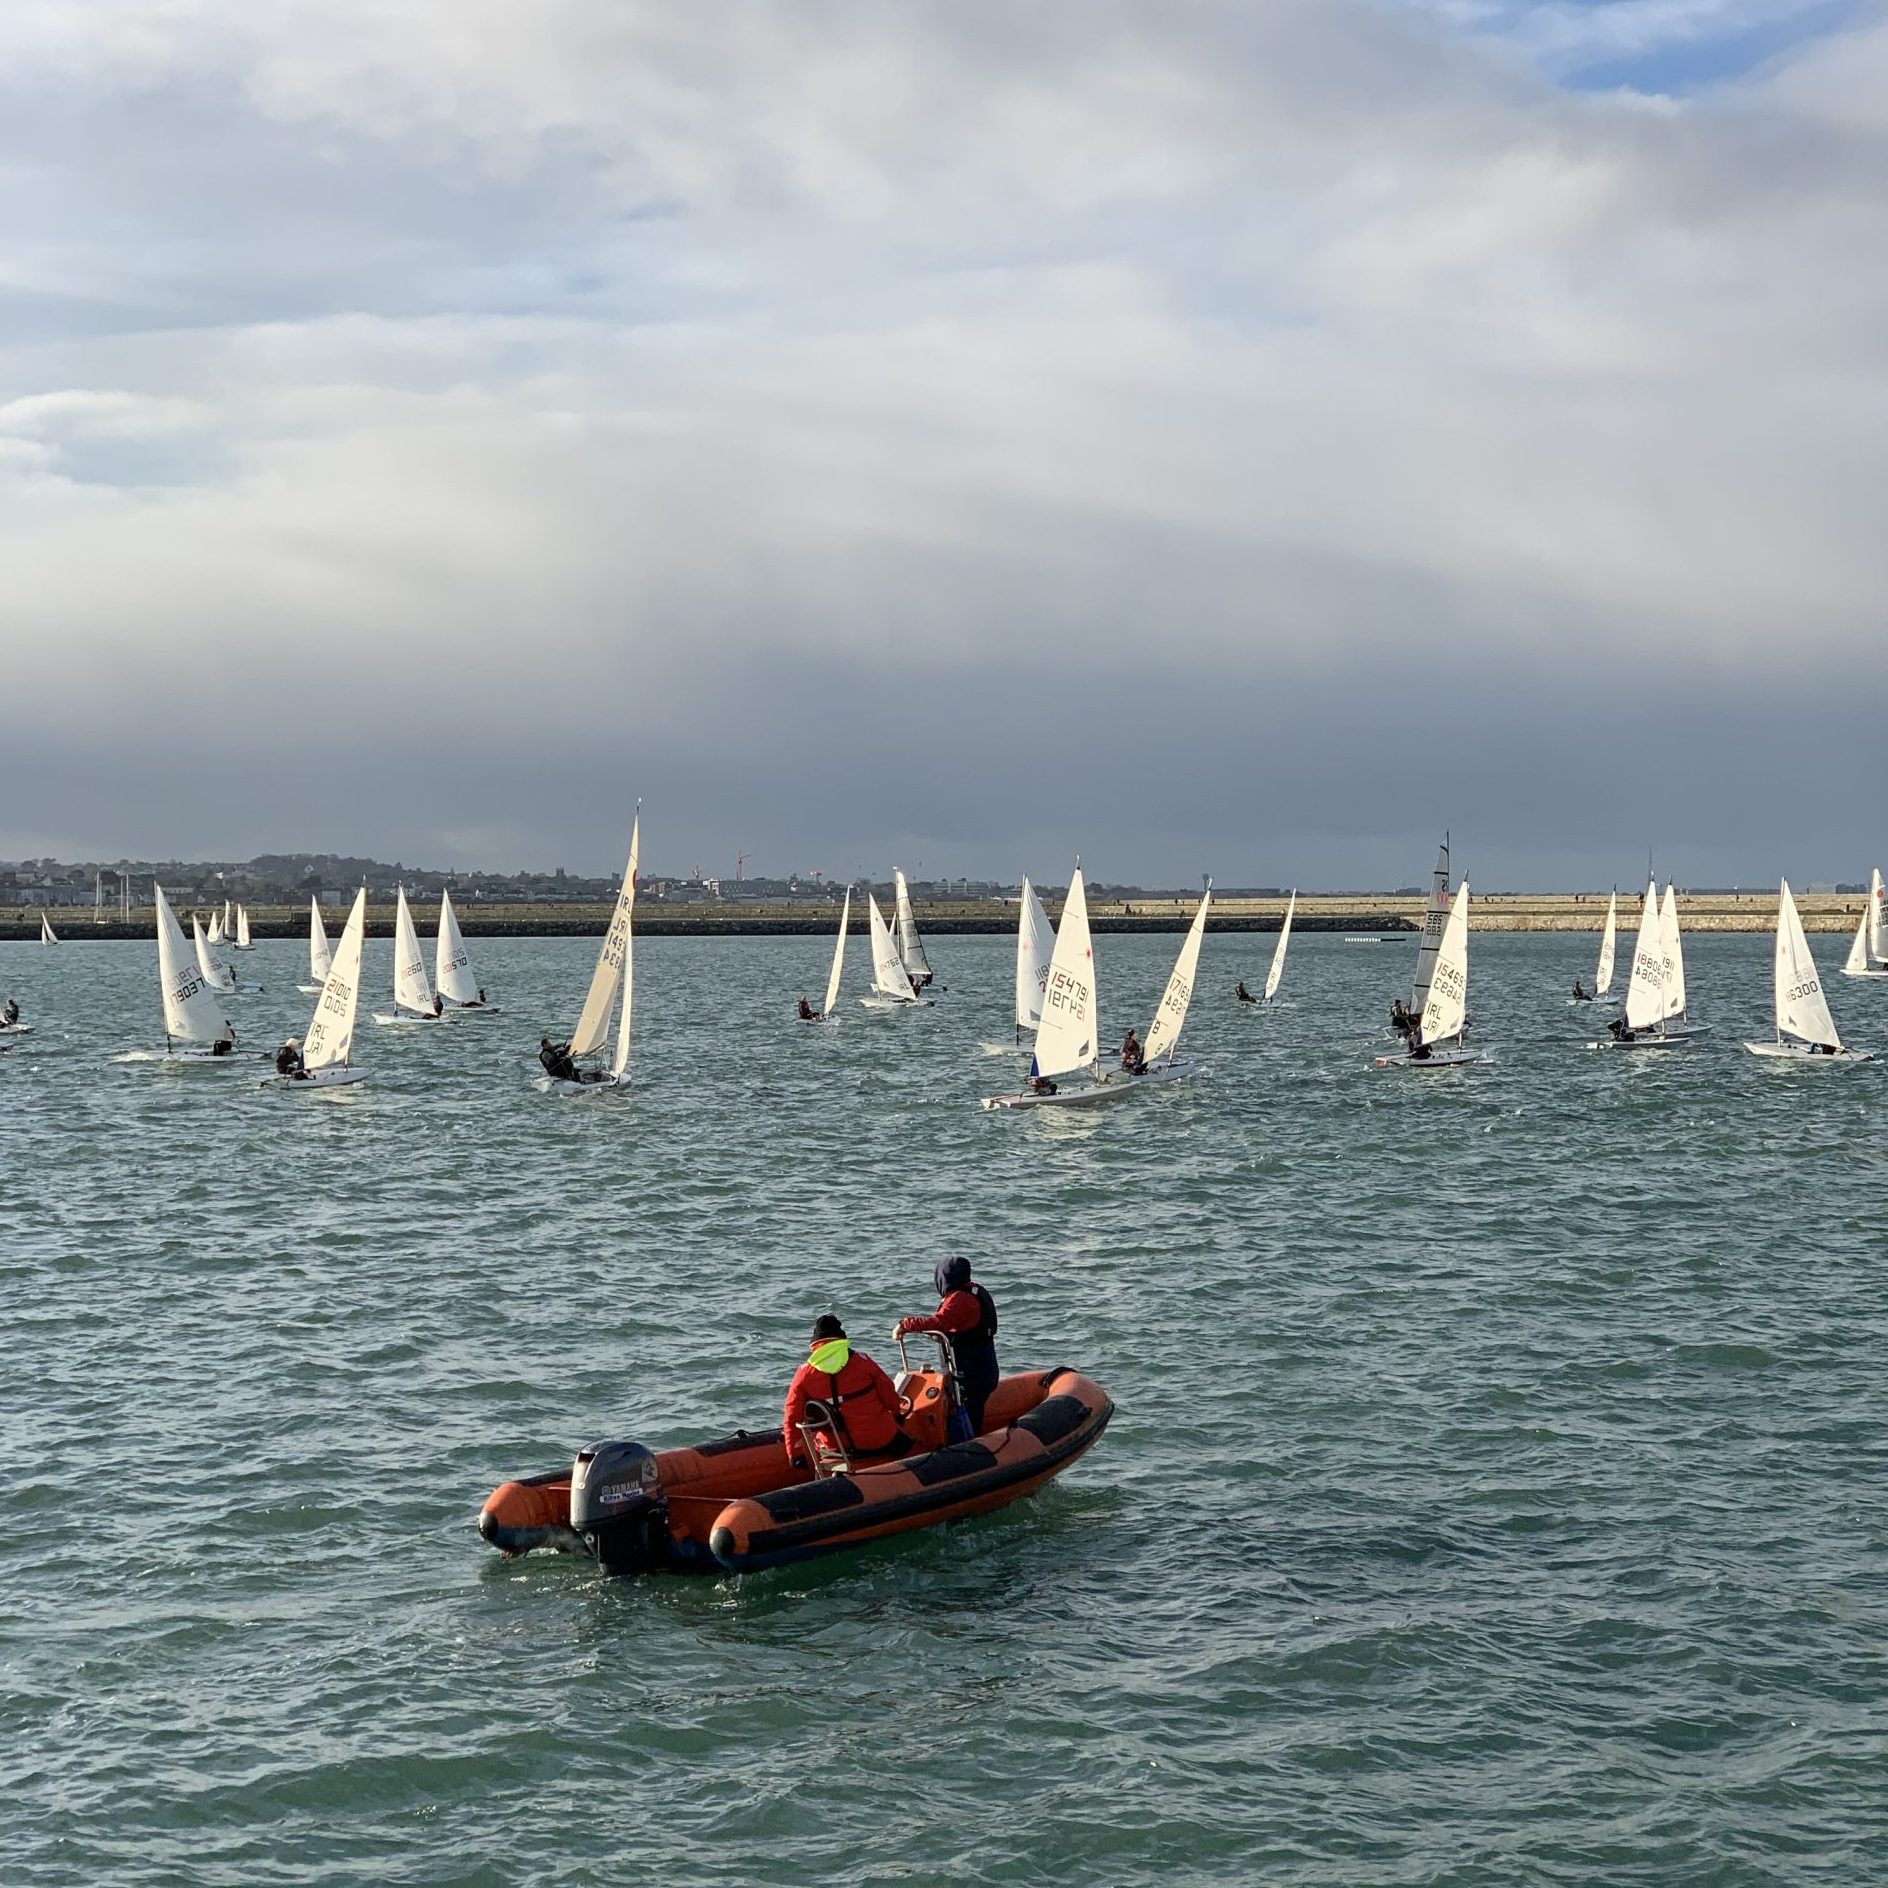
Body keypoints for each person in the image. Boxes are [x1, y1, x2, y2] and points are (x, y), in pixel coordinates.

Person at [783, 1315, 909, 1466]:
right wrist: (897, 1414)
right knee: (909, 1443)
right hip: (879, 1440)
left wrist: (795, 1454)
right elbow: (889, 1394)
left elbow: (791, 1415)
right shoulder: (863, 1362)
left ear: (815, 1344)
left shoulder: (804, 1374)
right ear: (841, 1338)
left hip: (835, 1447)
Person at [894, 1257, 1000, 1436]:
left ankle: (969, 1444)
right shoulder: (974, 1291)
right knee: (972, 1409)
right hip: (981, 1367)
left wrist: (905, 1324)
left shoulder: (959, 1299)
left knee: (969, 1410)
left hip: (970, 1372)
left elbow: (939, 1323)